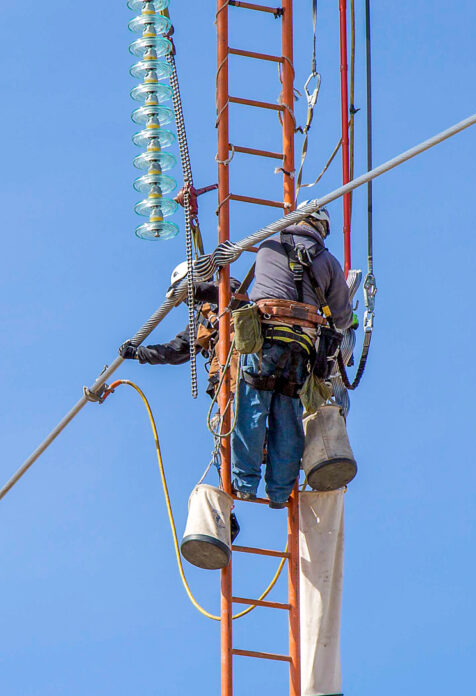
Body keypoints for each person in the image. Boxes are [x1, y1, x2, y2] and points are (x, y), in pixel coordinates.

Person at [231, 207, 352, 507]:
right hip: (300, 349)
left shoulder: (267, 247)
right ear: (322, 229)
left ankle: (244, 483)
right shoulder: (328, 262)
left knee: (251, 411)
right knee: (288, 419)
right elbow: (341, 318)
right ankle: (280, 493)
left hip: (264, 341)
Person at [118, 262, 240, 398]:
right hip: (226, 381)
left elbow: (225, 293)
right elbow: (176, 350)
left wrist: (192, 289)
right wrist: (139, 353)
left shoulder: (226, 285)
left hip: (244, 360)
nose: (187, 300)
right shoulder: (200, 323)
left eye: (184, 293)